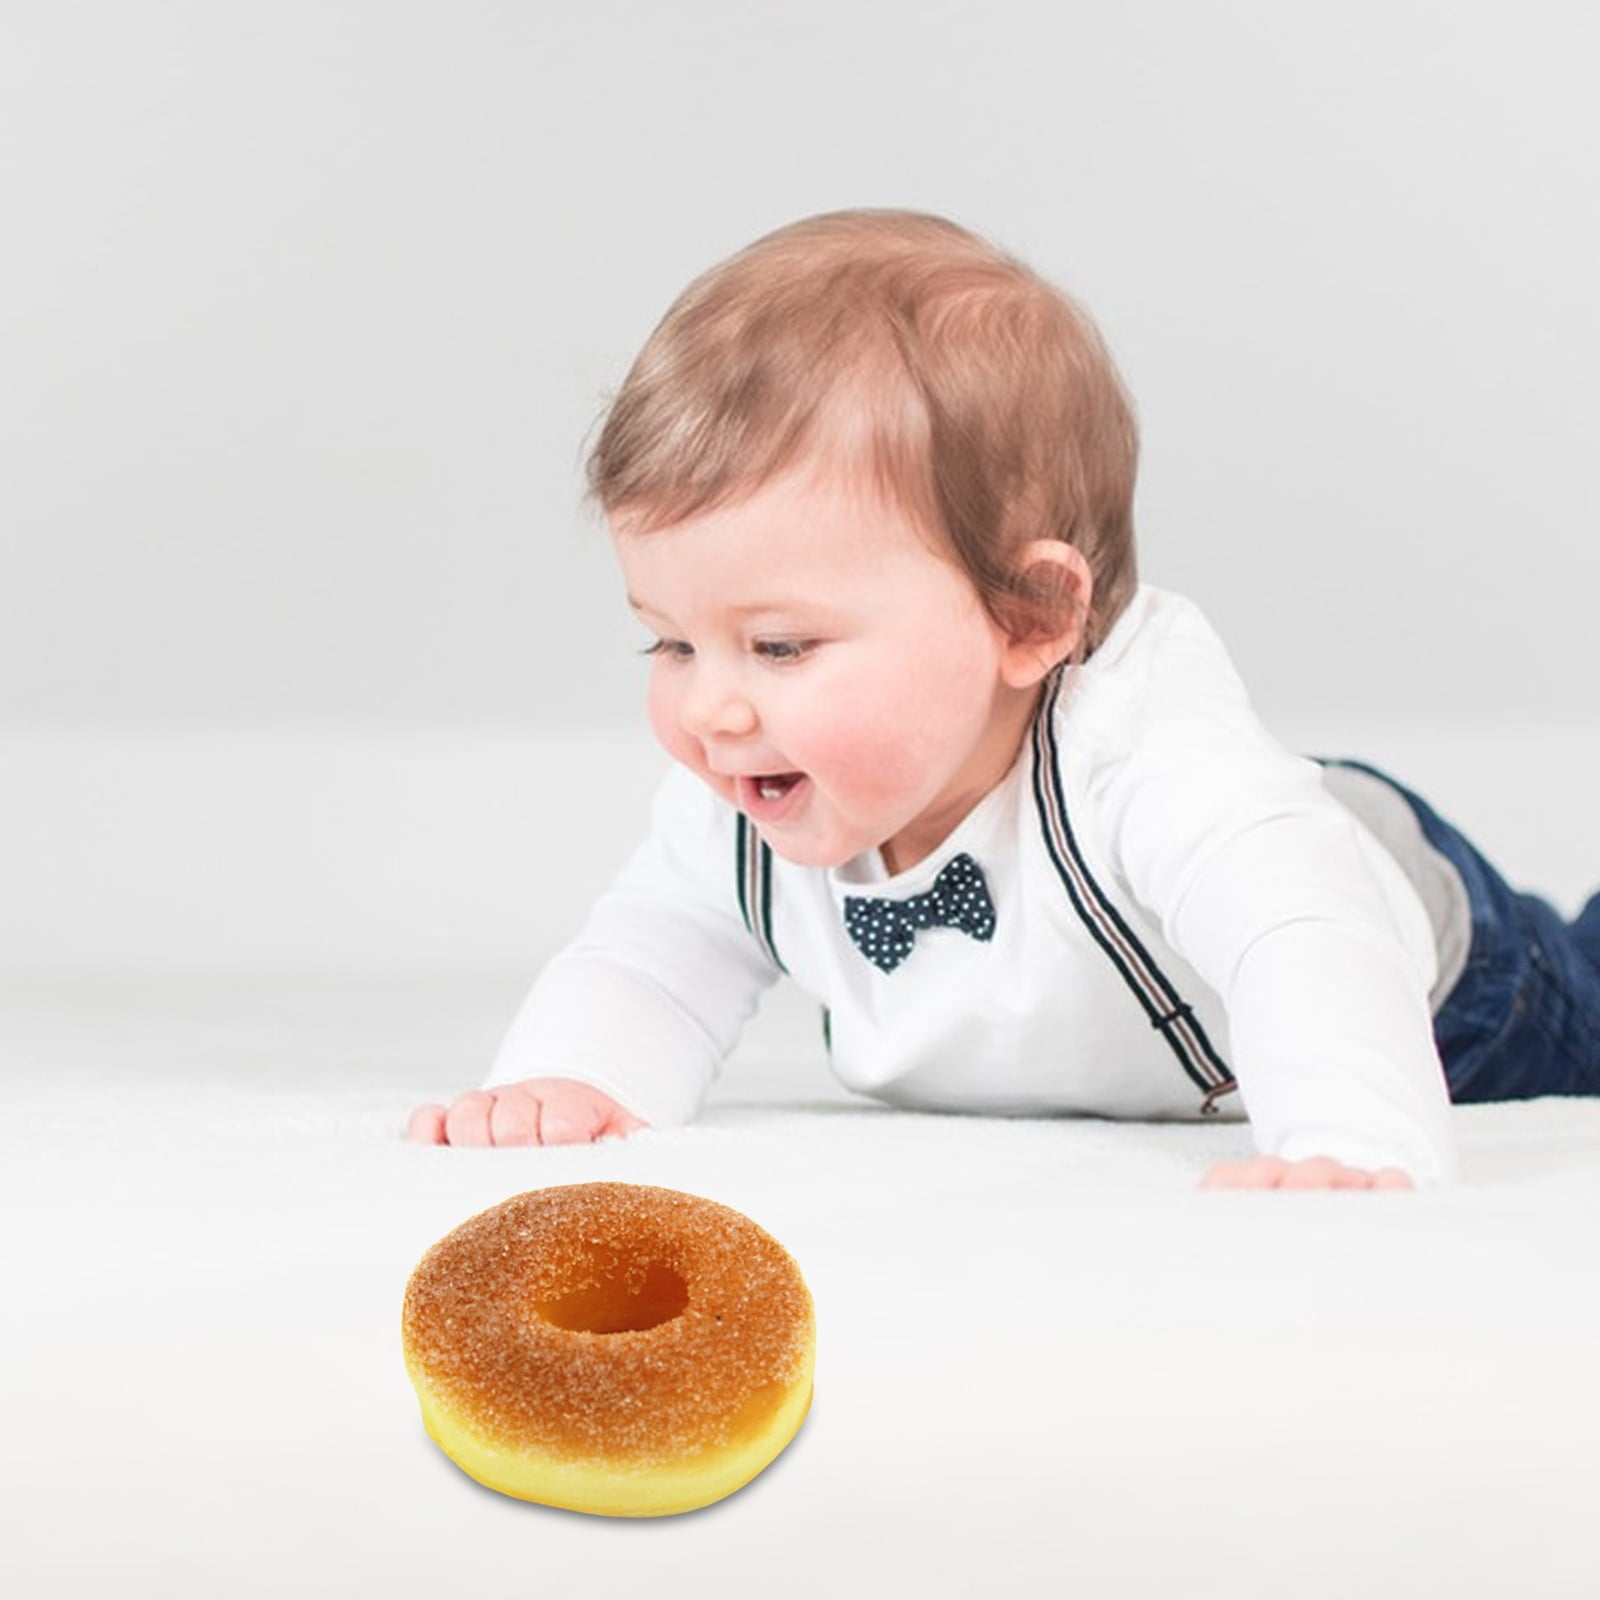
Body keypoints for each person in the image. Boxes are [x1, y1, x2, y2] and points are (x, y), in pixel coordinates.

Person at [406, 209, 1600, 1187]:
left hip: (1435, 979)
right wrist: (570, 1080)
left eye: (778, 646)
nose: (711, 709)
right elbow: (654, 953)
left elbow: (1302, 932)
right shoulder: (748, 791)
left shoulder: (1143, 752)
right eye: (669, 644)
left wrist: (1345, 1138)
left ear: (1026, 616)